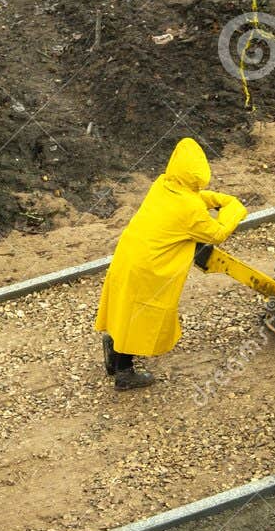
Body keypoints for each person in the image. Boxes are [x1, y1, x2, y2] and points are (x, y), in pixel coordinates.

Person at [95, 138, 248, 390]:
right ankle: (124, 373)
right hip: (149, 268)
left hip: (129, 255)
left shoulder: (163, 184)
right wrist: (234, 208)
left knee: (123, 306)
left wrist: (217, 199)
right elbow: (217, 233)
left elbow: (192, 198)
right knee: (140, 315)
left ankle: (114, 349)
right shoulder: (189, 209)